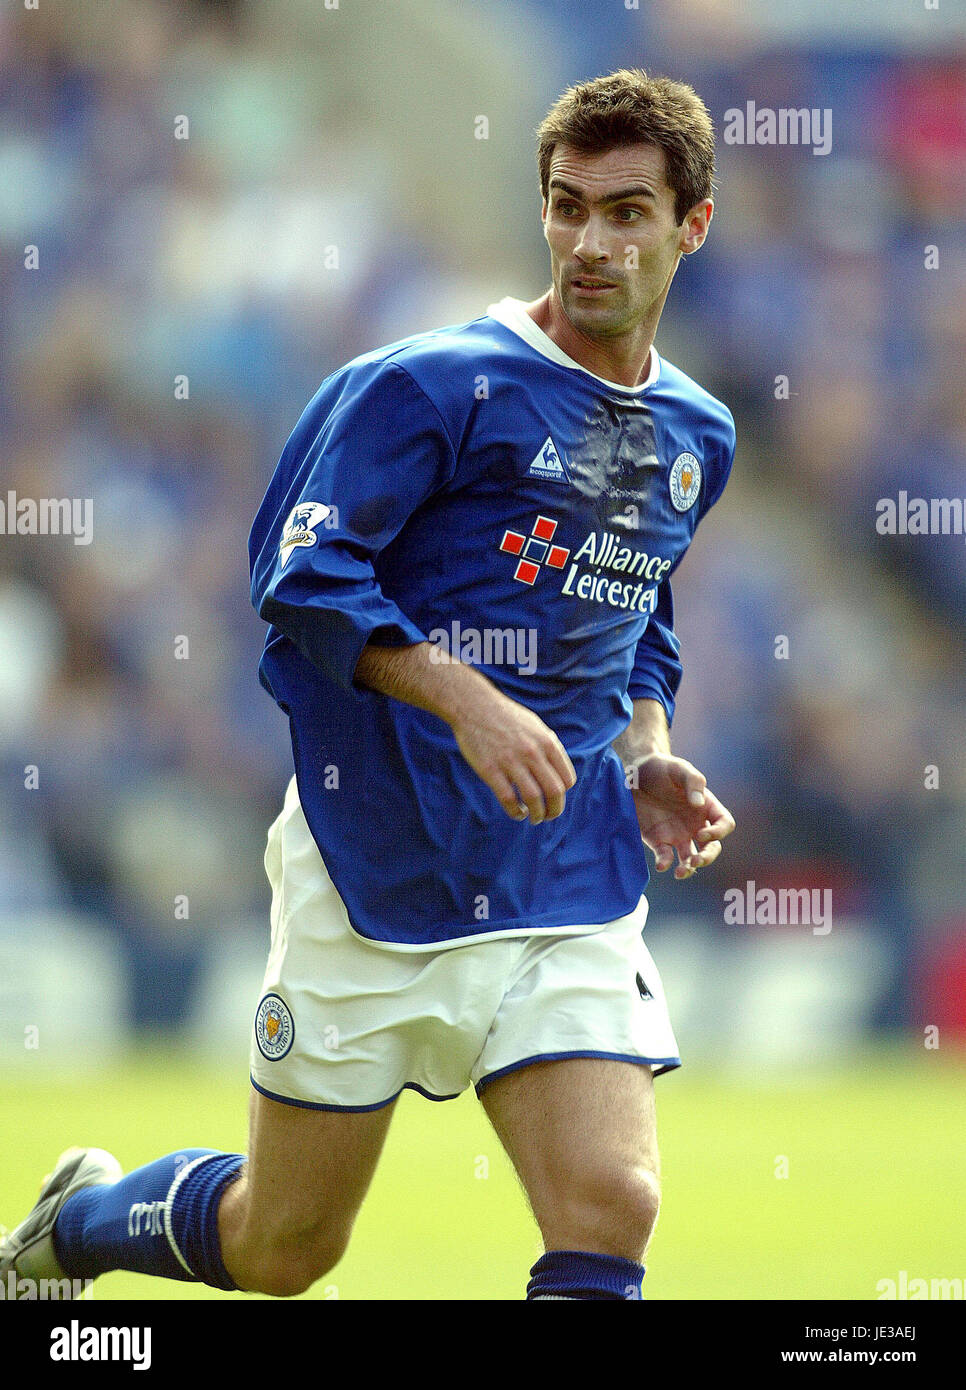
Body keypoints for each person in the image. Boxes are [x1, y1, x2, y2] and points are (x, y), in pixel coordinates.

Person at [1, 68, 736, 1302]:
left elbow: (636, 614)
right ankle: (77, 1225)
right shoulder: (432, 385)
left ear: (691, 225)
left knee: (613, 1206)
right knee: (285, 1247)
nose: (589, 241)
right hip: (376, 858)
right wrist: (468, 696)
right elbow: (302, 574)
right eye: (567, 207)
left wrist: (645, 748)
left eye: (627, 213)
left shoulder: (698, 432)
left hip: (562, 870)